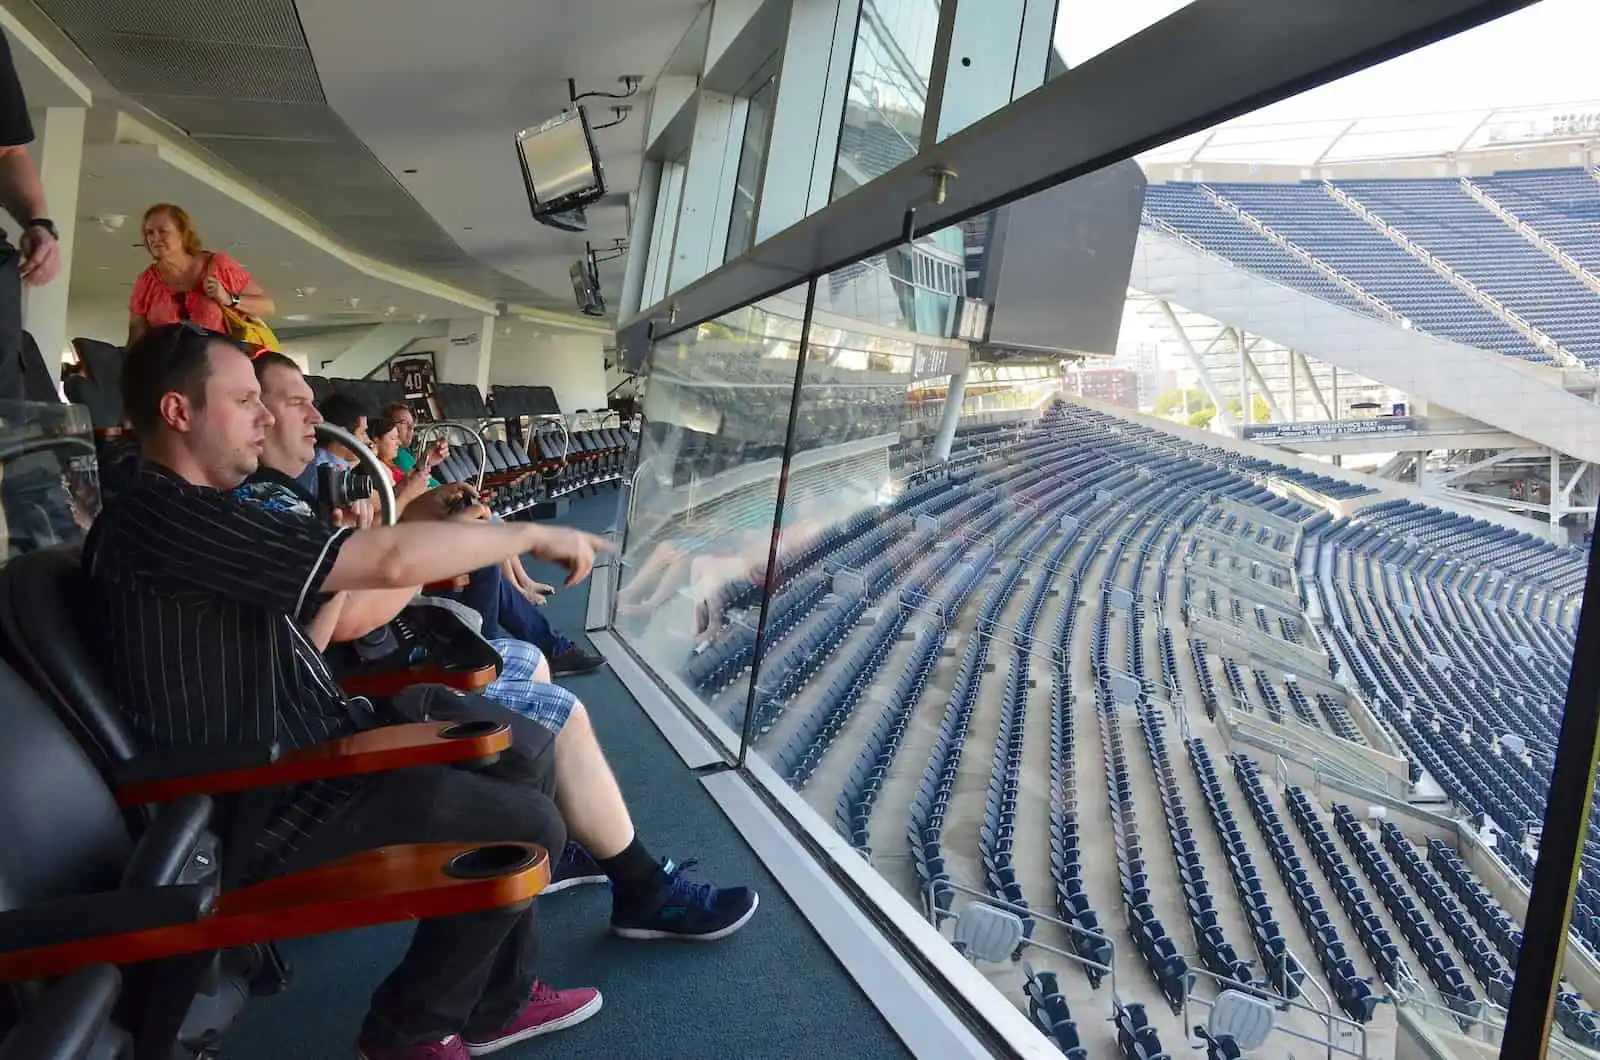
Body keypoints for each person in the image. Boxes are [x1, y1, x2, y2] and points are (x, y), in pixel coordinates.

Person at [86, 325, 758, 1060]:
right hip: (262, 797)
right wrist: (522, 534)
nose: (264, 418)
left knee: (522, 749)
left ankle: (498, 1002)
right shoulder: (168, 517)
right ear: (179, 412)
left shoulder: (195, 512)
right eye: (245, 400)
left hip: (307, 741)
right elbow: (393, 557)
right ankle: (406, 1031)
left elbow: (294, 644)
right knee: (529, 824)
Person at [126, 204, 274, 346]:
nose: (154, 238)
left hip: (221, 365)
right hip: (170, 368)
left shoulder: (218, 265)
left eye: (163, 231)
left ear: (183, 233)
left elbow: (268, 306)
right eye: (149, 233)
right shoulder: (146, 282)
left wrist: (229, 299)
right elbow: (137, 334)